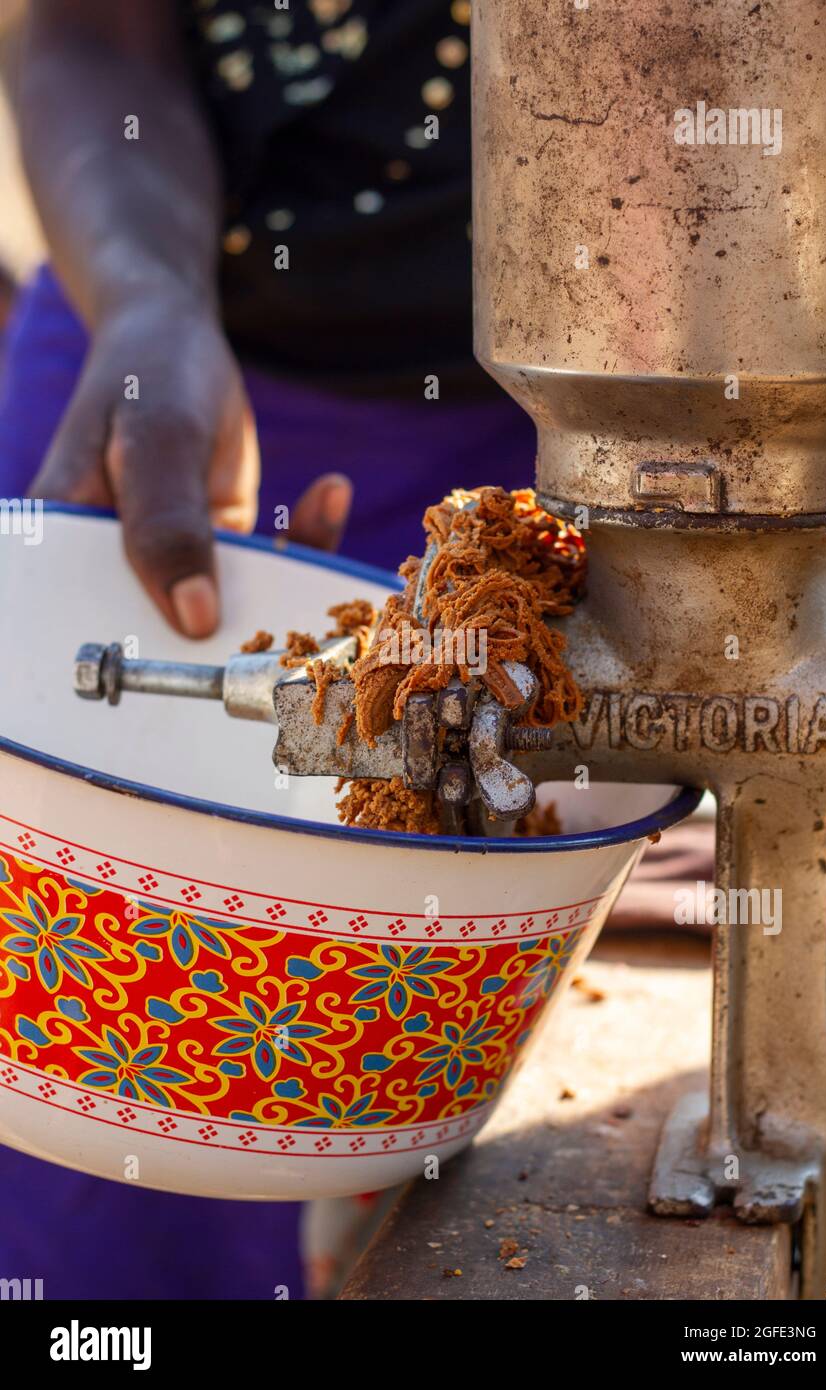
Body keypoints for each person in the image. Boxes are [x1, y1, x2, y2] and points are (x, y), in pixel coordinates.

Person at [0, 0, 535, 1298]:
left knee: (446, 1120)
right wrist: (144, 303)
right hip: (161, 387)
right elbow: (84, 30)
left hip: (545, 451)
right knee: (98, 1074)